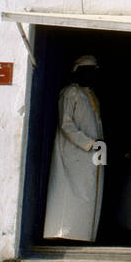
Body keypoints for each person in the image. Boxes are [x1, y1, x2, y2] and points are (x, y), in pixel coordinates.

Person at [44, 56, 105, 242]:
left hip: (92, 152)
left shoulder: (89, 94)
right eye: (88, 71)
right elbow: (66, 124)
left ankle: (83, 236)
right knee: (69, 194)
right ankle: (64, 234)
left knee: (88, 193)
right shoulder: (71, 93)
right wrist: (88, 143)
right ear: (78, 72)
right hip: (73, 152)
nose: (92, 76)